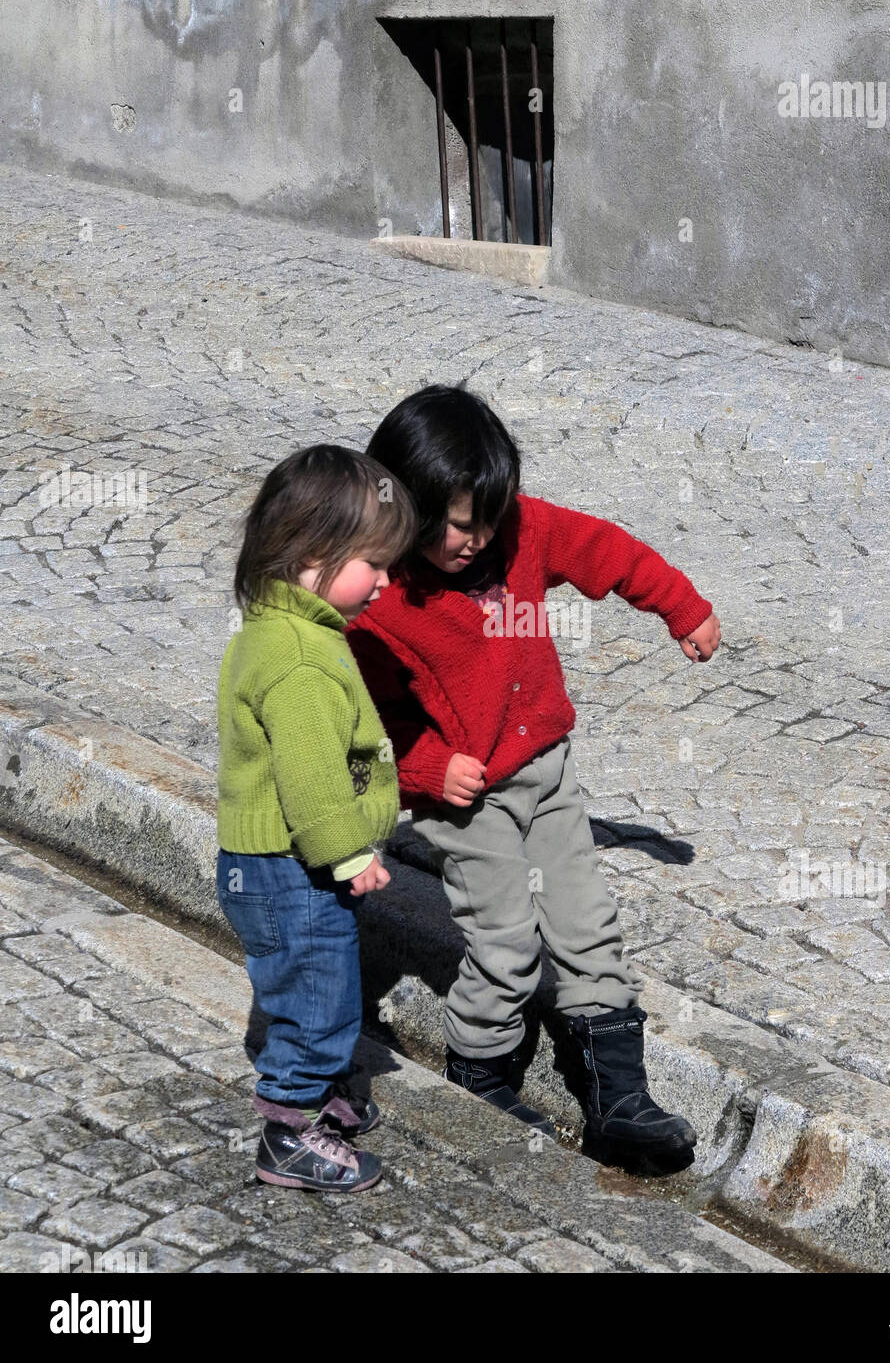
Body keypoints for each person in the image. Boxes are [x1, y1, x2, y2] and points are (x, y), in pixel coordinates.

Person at [347, 385, 721, 1170]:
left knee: (588, 928)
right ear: (405, 504)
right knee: (509, 939)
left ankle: (618, 1099)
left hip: (546, 773)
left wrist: (681, 609)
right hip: (462, 798)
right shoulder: (377, 599)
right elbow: (360, 728)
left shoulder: (522, 530)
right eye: (457, 524)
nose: (478, 540)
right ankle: (480, 1075)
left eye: (489, 517)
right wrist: (424, 768)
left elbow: (609, 552)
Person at [216, 443, 415, 1191]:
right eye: (373, 561)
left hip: (271, 867)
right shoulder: (298, 659)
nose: (386, 580)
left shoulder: (283, 630)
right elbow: (310, 781)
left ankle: (315, 1088)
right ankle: (290, 1129)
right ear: (312, 554)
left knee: (308, 983)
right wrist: (350, 853)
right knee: (319, 992)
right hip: (291, 869)